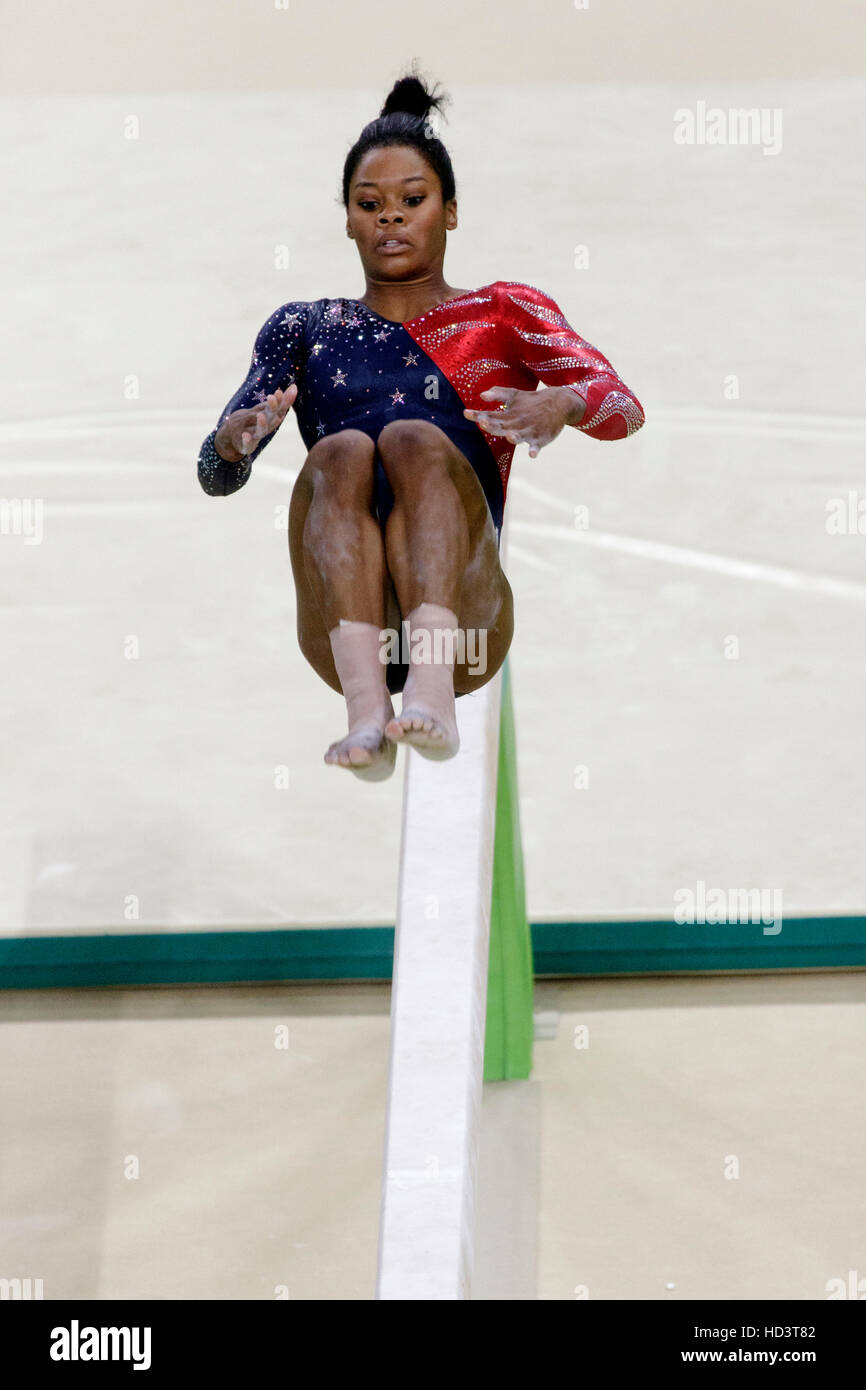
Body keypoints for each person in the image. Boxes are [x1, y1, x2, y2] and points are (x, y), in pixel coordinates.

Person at [197, 65, 645, 782]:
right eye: (369, 204)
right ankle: (367, 712)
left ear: (451, 210)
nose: (391, 217)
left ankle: (433, 696)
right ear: (347, 219)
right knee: (341, 450)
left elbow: (623, 406)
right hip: (345, 627)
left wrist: (562, 403)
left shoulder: (504, 311)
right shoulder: (302, 327)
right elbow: (215, 474)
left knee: (410, 437)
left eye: (413, 200)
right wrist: (233, 440)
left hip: (468, 627)